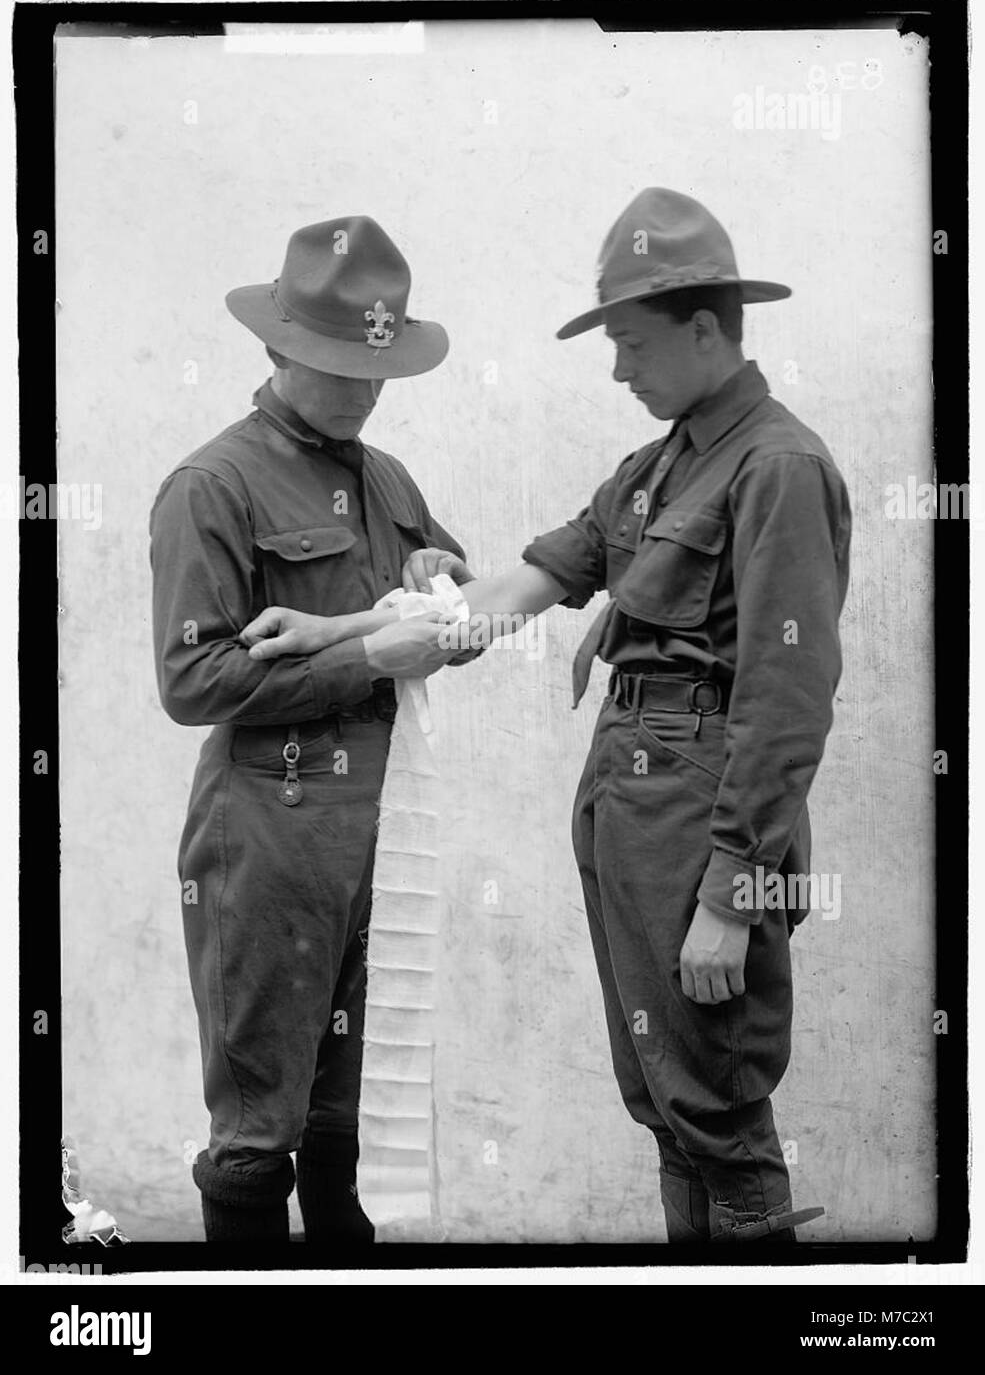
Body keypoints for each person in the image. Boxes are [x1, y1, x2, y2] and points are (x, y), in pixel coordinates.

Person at [244, 189, 851, 1244]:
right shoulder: (661, 462)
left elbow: (787, 699)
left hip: (705, 811)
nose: (619, 370)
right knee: (661, 1092)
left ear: (704, 329)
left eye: (631, 343)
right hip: (629, 801)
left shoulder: (777, 466)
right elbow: (505, 598)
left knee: (717, 1099)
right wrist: (328, 631)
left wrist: (732, 892)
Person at [150, 215, 474, 1244]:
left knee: (344, 1119)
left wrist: (437, 580)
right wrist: (370, 654)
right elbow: (192, 677)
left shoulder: (385, 478)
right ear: (277, 346)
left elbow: (452, 590)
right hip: (271, 834)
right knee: (258, 1130)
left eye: (377, 369)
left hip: (384, 831)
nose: (363, 390)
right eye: (340, 367)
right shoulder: (212, 486)